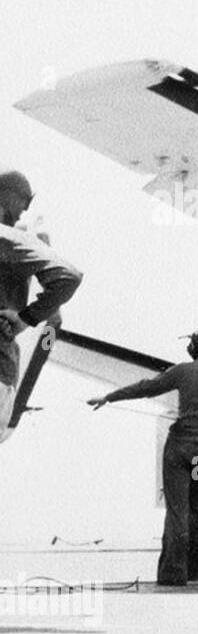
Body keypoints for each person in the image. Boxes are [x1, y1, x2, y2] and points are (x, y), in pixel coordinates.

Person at [89, 331, 198, 586]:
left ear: (193, 349)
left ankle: (174, 573)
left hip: (179, 449)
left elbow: (147, 388)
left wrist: (109, 397)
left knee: (177, 510)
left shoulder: (183, 371)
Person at [0, 168, 83, 442]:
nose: (23, 213)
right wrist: (26, 318)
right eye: (24, 203)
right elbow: (68, 277)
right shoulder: (12, 239)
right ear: (8, 198)